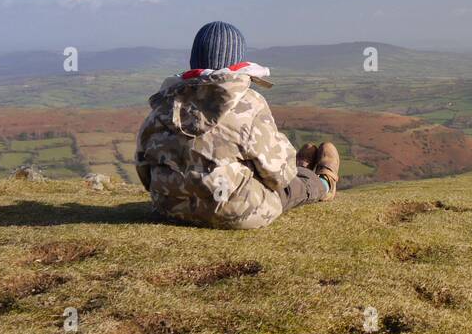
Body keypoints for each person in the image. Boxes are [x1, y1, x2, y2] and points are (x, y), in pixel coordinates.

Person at [134, 21, 340, 229]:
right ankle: (323, 182)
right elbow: (279, 175)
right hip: (234, 212)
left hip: (170, 208)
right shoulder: (249, 105)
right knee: (291, 188)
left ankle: (303, 170)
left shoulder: (164, 105)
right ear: (237, 59)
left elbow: (144, 169)